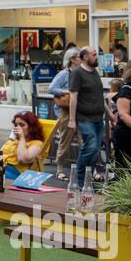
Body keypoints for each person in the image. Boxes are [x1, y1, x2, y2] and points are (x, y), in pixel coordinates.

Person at [67, 46, 106, 209]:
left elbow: (100, 95)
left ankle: (87, 182)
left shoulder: (95, 72)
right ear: (84, 57)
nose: (96, 57)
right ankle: (80, 179)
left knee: (95, 150)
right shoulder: (77, 73)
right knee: (90, 147)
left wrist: (109, 112)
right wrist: (71, 119)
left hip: (98, 117)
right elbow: (73, 96)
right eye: (94, 54)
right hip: (84, 118)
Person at [47, 48, 81, 184]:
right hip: (66, 112)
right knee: (65, 143)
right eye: (79, 56)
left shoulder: (81, 73)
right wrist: (67, 91)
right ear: (72, 59)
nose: (82, 59)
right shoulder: (64, 74)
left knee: (84, 143)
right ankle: (59, 169)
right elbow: (51, 88)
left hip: (81, 112)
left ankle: (89, 170)